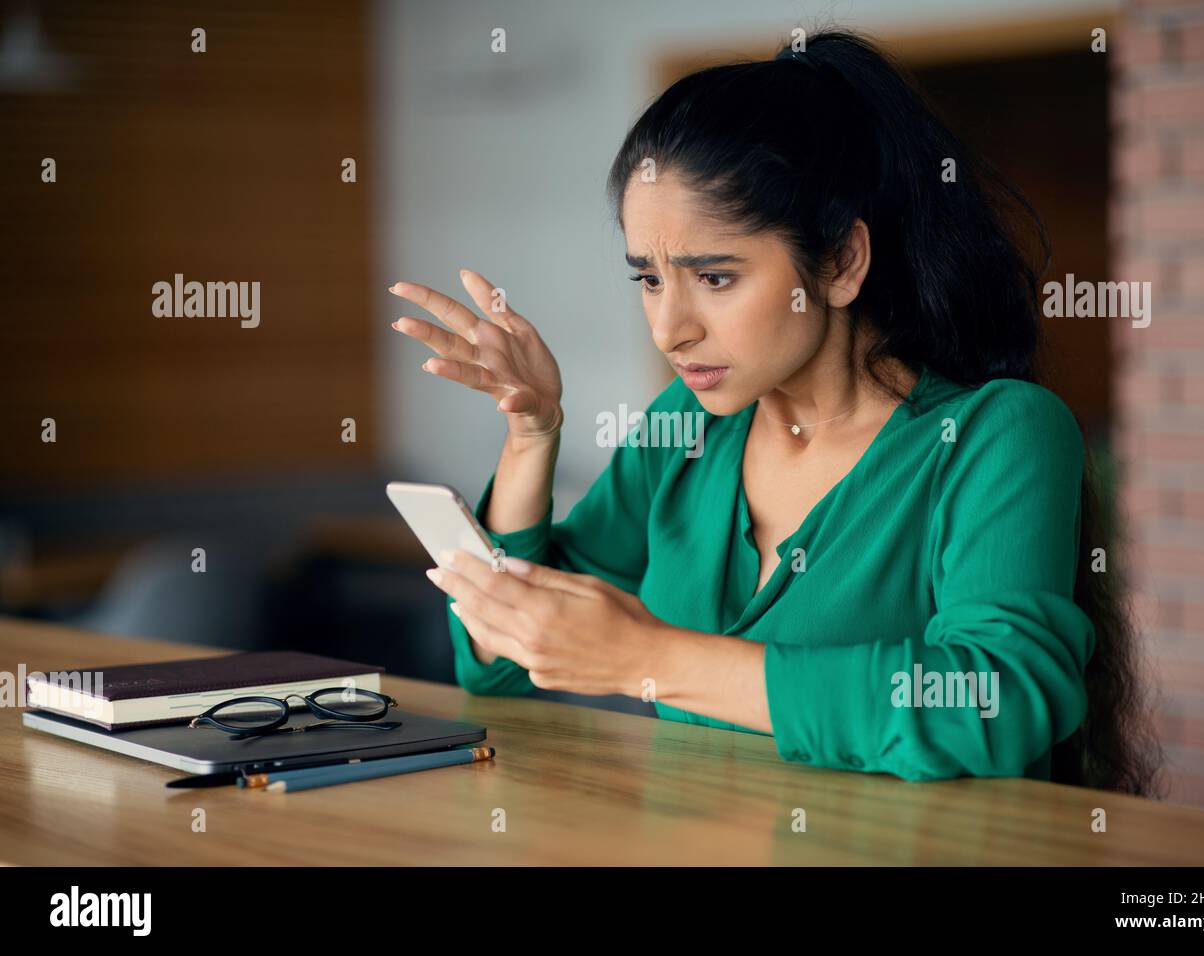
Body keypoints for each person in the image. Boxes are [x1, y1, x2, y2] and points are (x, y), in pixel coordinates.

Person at [390, 29, 1162, 793]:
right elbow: (497, 666)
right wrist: (533, 434)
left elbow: (996, 699)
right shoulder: (686, 425)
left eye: (716, 278)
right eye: (649, 280)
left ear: (840, 262)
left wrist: (648, 658)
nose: (670, 328)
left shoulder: (999, 434)